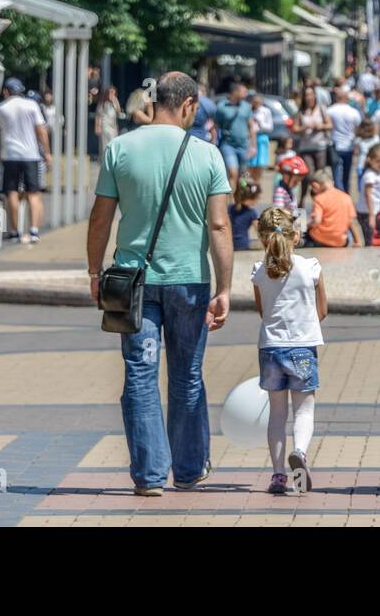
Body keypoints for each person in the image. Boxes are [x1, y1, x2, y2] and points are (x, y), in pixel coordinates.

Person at [86, 71, 233, 497]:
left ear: (155, 104)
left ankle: (149, 475)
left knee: (139, 374)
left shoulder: (120, 148)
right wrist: (225, 288)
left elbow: (100, 219)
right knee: (187, 375)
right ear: (187, 106)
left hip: (133, 283)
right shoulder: (207, 155)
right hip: (189, 281)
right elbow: (219, 225)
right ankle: (187, 469)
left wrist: (95, 272)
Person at [251, 207, 327, 494]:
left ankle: (278, 475)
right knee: (304, 410)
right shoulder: (311, 267)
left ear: (262, 239)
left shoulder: (259, 273)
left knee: (277, 413)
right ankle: (301, 452)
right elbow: (323, 310)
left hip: (270, 347)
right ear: (296, 237)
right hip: (303, 346)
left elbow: (263, 312)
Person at [0, 77, 52, 244]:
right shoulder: (31, 105)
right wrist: (47, 152)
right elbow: (41, 130)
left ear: (6, 91)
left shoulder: (1, 108)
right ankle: (34, 231)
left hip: (10, 154)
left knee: (11, 192)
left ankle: (14, 231)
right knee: (33, 193)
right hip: (30, 154)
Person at [305, 169, 361, 248]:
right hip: (340, 241)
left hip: (319, 239)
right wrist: (357, 241)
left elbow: (317, 221)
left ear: (316, 185)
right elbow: (351, 222)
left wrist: (306, 226)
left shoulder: (319, 198)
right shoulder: (346, 197)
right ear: (332, 182)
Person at [214, 78, 253, 186]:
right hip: (228, 145)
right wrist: (213, 144)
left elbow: (251, 127)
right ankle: (231, 202)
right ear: (235, 92)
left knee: (243, 177)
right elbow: (215, 127)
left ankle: (239, 201)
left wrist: (253, 147)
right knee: (232, 173)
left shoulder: (246, 107)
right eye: (243, 91)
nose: (246, 93)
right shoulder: (222, 107)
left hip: (243, 146)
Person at [326, 87, 363, 193]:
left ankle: (339, 195)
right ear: (346, 98)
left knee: (336, 174)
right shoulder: (354, 112)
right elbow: (357, 129)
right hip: (349, 146)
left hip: (335, 145)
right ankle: (345, 194)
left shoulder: (330, 110)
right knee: (347, 175)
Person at [357, 143, 380, 246]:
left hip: (375, 211)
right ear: (370, 160)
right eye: (378, 161)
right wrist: (371, 216)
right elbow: (368, 195)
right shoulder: (369, 175)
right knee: (369, 241)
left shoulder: (378, 173)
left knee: (376, 237)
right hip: (367, 212)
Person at [293, 86, 330, 178]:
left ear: (315, 96)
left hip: (320, 146)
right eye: (306, 95)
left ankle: (317, 192)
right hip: (306, 148)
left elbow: (330, 125)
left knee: (320, 175)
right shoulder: (301, 112)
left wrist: (320, 126)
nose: (309, 97)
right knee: (308, 174)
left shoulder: (321, 109)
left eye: (311, 95)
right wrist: (304, 128)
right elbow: (295, 128)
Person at [248, 92, 272, 184]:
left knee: (260, 164)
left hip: (261, 138)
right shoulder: (249, 111)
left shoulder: (266, 111)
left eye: (258, 101)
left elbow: (270, 127)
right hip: (250, 139)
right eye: (254, 101)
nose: (256, 103)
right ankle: (248, 185)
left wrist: (260, 123)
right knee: (250, 165)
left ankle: (256, 184)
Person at [229, 181, 260, 251]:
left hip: (230, 243)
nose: (257, 201)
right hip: (243, 244)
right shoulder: (251, 212)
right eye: (256, 198)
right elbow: (259, 230)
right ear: (248, 198)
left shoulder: (230, 208)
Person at [94, 85, 122, 158]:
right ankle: (104, 159)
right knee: (105, 144)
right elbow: (98, 115)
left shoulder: (115, 102)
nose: (112, 94)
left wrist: (115, 100)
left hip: (113, 126)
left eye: (113, 93)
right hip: (105, 125)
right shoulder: (103, 103)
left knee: (113, 143)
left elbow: (118, 112)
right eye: (110, 92)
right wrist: (97, 126)